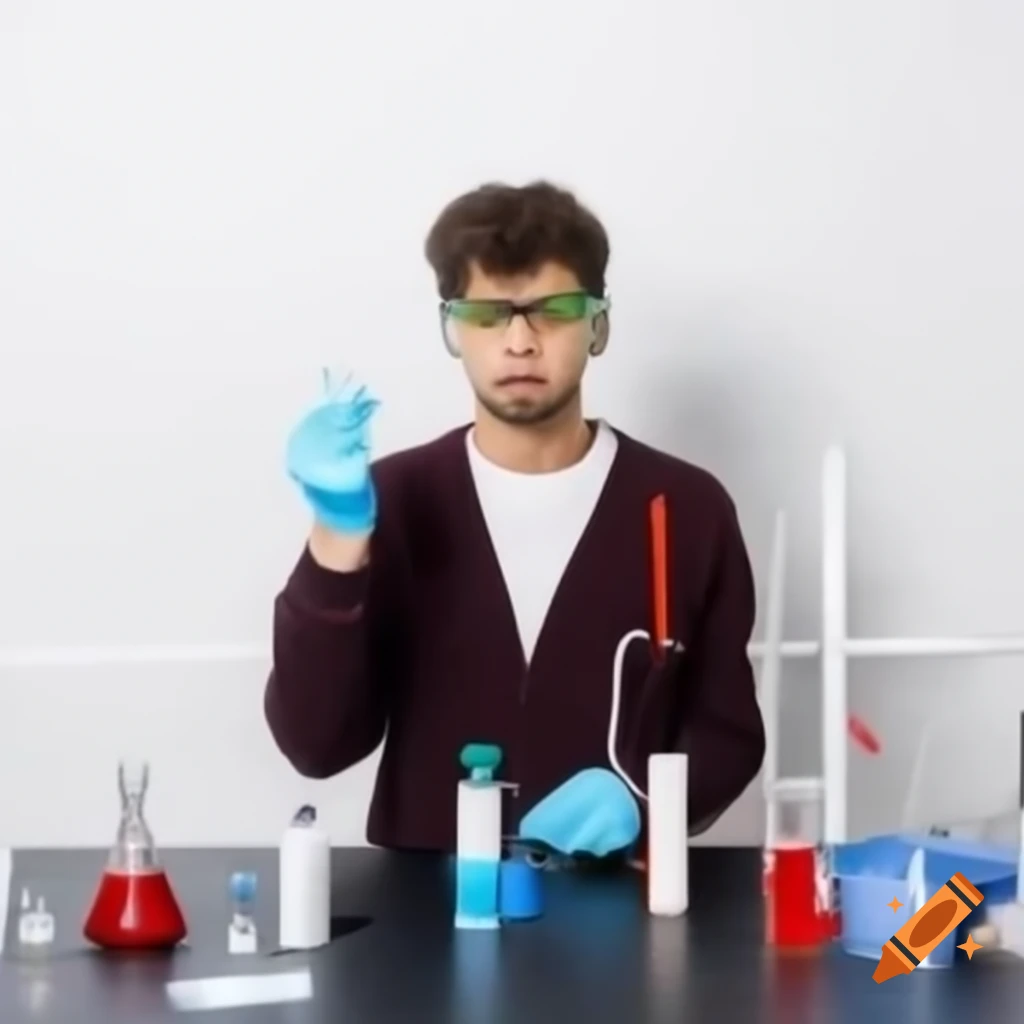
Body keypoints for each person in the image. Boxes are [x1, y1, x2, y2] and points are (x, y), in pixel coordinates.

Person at [264, 180, 765, 854]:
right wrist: (337, 540)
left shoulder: (685, 509)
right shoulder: (396, 498)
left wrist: (642, 800)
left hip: (619, 913)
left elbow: (729, 734)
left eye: (553, 311)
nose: (521, 341)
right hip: (424, 924)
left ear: (599, 325)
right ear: (452, 329)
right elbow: (315, 743)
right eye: (488, 313)